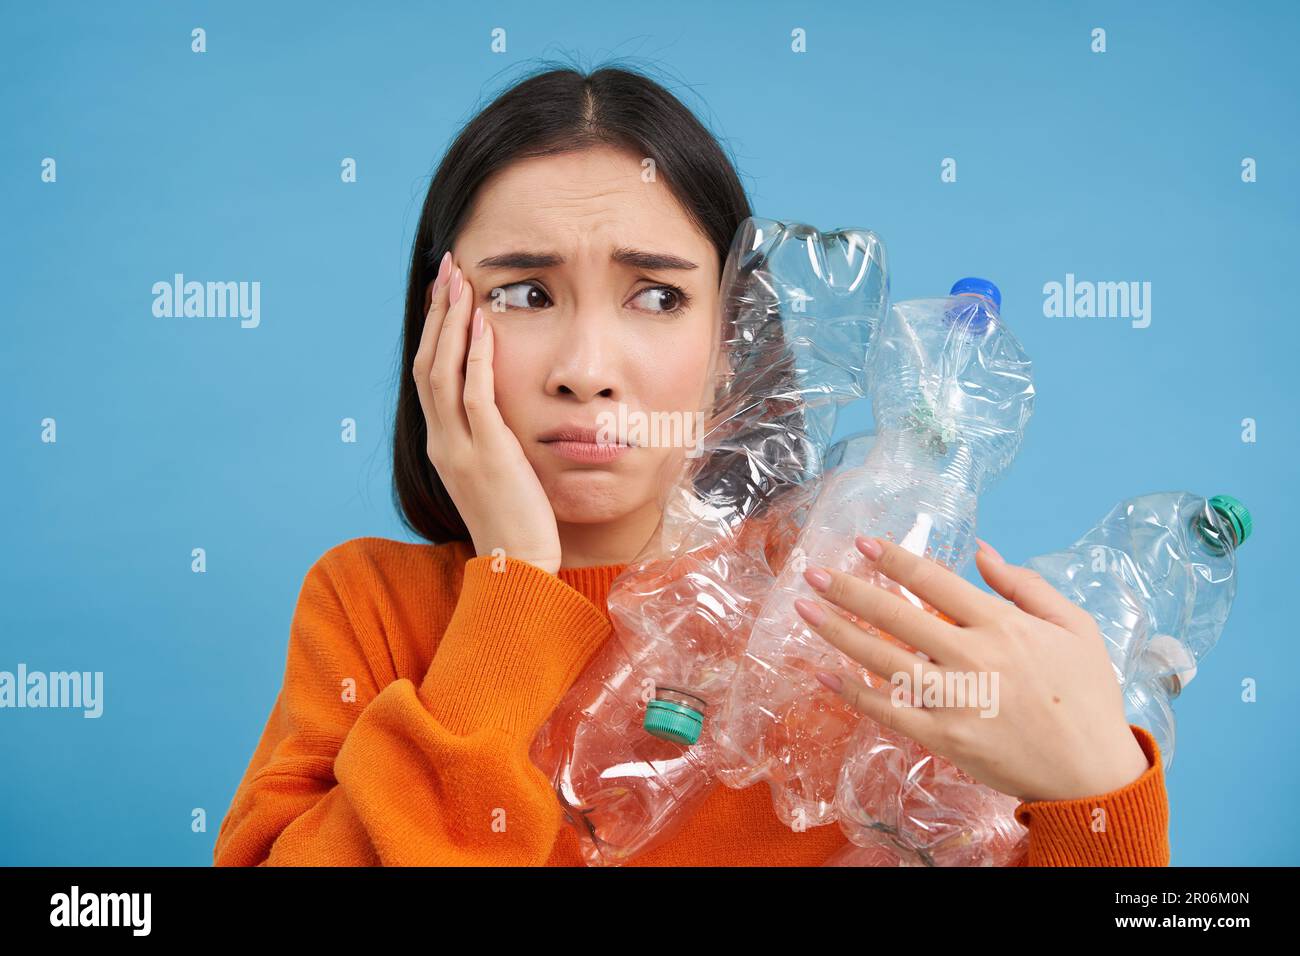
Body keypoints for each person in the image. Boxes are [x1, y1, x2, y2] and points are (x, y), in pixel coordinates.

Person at [212, 62, 1169, 867]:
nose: (587, 370)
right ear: (440, 326)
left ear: (733, 338)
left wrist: (1095, 791)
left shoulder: (839, 620)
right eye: (526, 292)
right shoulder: (372, 608)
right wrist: (510, 589)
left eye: (658, 298)